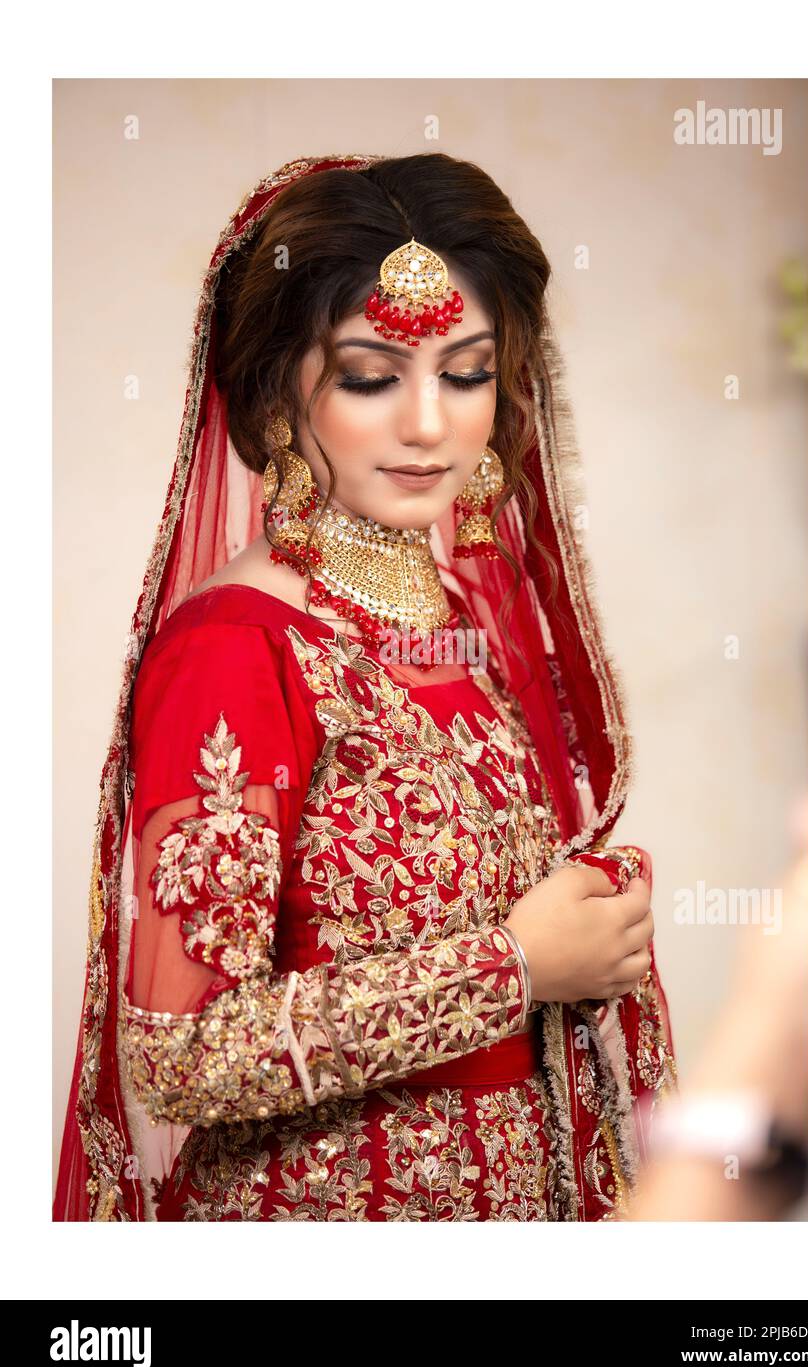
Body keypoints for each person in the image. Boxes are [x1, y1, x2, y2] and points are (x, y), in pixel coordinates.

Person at [53, 151, 677, 1222]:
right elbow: (180, 1054)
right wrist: (512, 964)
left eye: (467, 371)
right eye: (371, 375)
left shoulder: (453, 619)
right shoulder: (235, 648)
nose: (428, 422)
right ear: (272, 387)